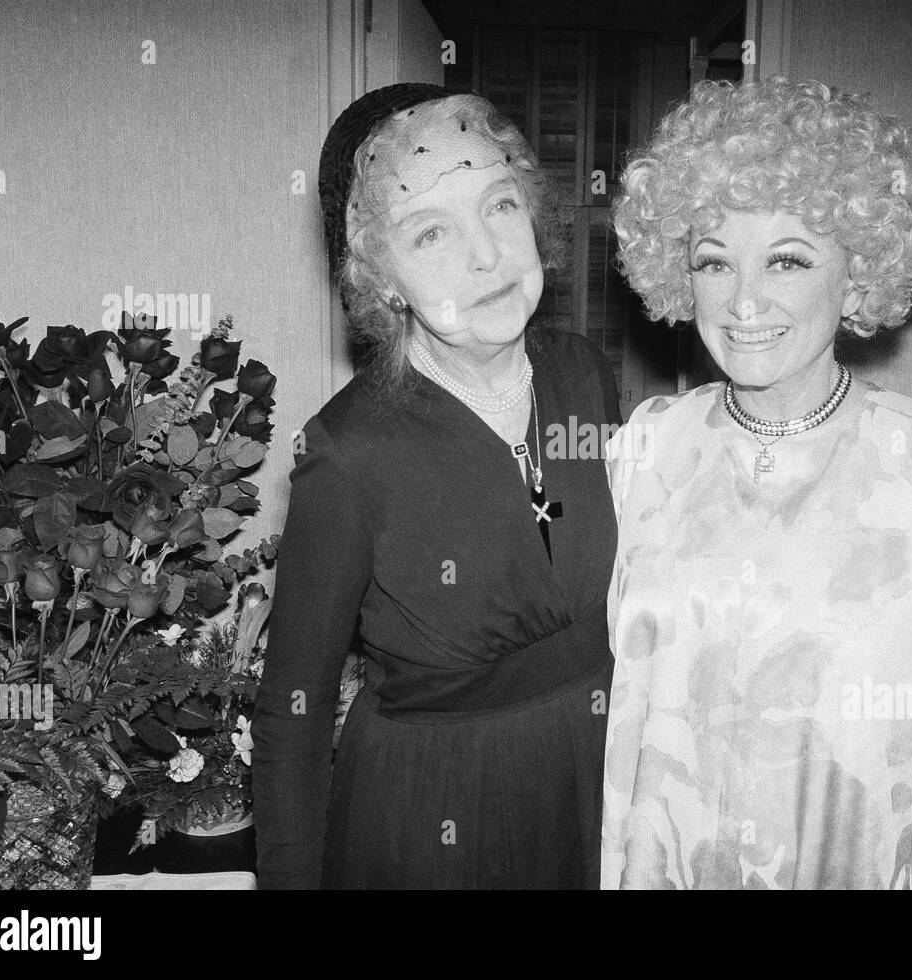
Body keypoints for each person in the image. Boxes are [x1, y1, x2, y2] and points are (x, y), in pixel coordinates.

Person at [600, 76, 912, 889]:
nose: (745, 301)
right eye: (713, 262)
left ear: (859, 267)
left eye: (788, 259)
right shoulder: (644, 453)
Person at [252, 83, 621, 888]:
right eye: (430, 233)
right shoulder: (347, 452)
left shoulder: (587, 377)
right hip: (432, 816)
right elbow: (295, 704)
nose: (485, 256)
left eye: (498, 207)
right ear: (381, 278)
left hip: (594, 792)